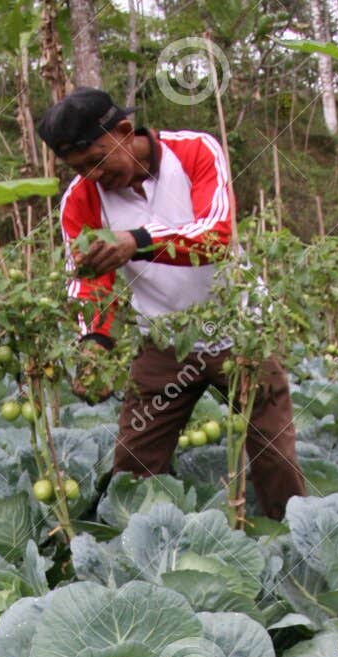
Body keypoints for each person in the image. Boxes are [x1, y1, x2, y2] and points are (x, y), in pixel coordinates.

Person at [37, 87, 305, 520]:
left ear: (125, 131)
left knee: (274, 454)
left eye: (99, 160)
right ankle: (132, 561)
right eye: (80, 168)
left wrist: (137, 242)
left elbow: (217, 235)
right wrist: (94, 343)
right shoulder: (81, 198)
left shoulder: (196, 151)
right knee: (135, 463)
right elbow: (89, 283)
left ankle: (295, 546)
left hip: (239, 329)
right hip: (162, 341)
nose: (93, 175)